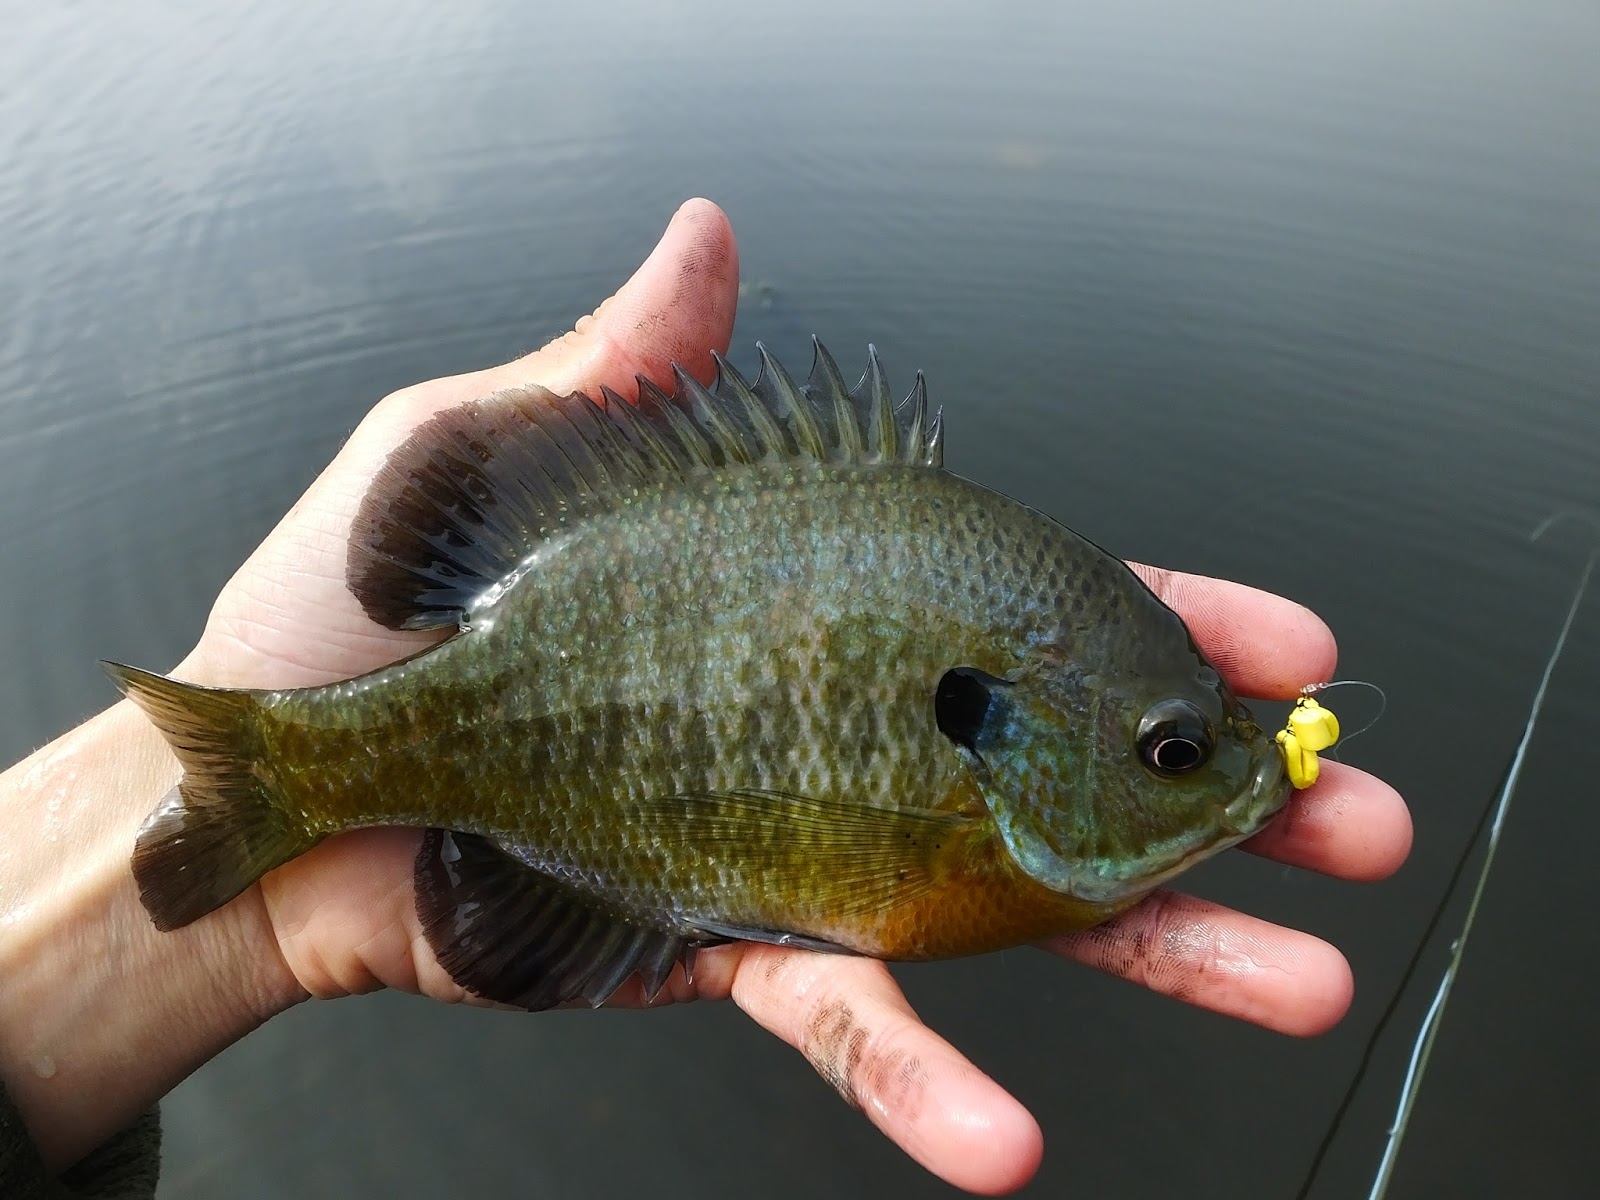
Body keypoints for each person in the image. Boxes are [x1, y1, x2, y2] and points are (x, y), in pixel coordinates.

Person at [0, 199, 1410, 1198]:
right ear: (1003, 725)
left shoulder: (1019, 711)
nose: (1208, 768)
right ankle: (265, 772)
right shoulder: (969, 827)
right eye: (1170, 751)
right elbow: (869, 876)